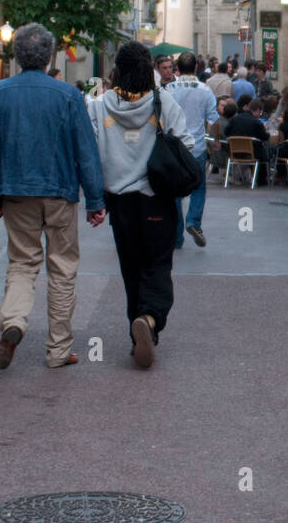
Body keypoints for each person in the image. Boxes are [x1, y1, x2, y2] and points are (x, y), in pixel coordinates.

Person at [0, 23, 106, 371]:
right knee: (62, 267)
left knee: (22, 262)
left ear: (17, 56)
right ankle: (59, 349)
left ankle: (14, 321)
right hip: (59, 191)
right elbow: (85, 151)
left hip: (16, 191)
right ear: (50, 56)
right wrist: (94, 200)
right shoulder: (68, 96)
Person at [89, 42, 192, 369]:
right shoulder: (164, 102)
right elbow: (186, 144)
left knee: (131, 267)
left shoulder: (98, 106)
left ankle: (138, 322)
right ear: (148, 69)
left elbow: (89, 153)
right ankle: (149, 319)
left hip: (120, 202)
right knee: (158, 264)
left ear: (116, 69)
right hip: (157, 198)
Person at [167, 52, 217, 249]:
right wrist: (216, 141)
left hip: (174, 147)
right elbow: (213, 119)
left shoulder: (169, 89)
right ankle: (193, 222)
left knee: (175, 192)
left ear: (177, 68)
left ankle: (176, 236)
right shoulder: (205, 89)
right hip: (196, 146)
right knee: (199, 186)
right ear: (196, 67)